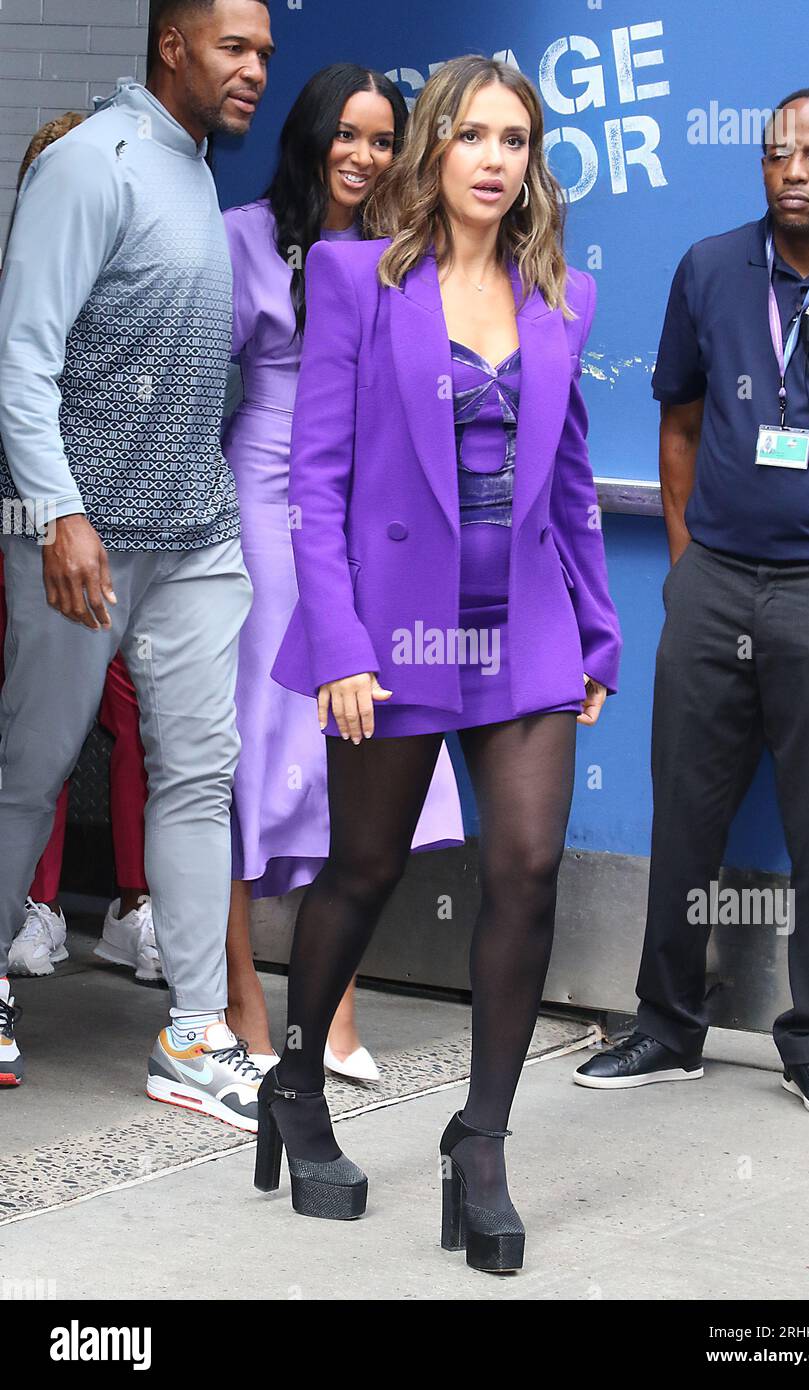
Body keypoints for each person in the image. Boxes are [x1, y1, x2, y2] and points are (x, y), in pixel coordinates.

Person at [259, 55, 621, 1273]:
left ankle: (484, 1143)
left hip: (520, 629)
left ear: (531, 162)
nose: (491, 158)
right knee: (362, 872)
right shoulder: (359, 277)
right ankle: (296, 1087)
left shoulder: (559, 297)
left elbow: (571, 489)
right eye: (470, 134)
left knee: (525, 868)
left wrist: (597, 628)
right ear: (435, 148)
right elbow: (314, 482)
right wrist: (343, 644)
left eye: (513, 139)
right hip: (394, 632)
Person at [575, 90, 809, 1123]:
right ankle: (666, 1025)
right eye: (775, 156)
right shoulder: (712, 269)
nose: (792, 172)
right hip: (715, 579)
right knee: (686, 812)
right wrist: (683, 562)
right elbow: (679, 423)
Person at [0, 0, 273, 1127]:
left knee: (201, 773)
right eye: (235, 48)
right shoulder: (90, 161)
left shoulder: (197, 170)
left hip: (195, 533)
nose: (256, 68)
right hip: (87, 539)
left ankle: (196, 1034)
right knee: (33, 766)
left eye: (263, 50)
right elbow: (23, 355)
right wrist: (57, 514)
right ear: (173, 44)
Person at [221, 64, 464, 1076]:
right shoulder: (240, 237)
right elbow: (202, 383)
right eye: (348, 135)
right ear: (314, 134)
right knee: (244, 753)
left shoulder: (396, 254)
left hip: (358, 519)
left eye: (382, 138)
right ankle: (240, 1004)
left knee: (350, 745)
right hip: (256, 506)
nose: (364, 156)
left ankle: (329, 1012)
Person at [0, 115, 160, 987]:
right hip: (30, 535)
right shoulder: (21, 291)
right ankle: (37, 906)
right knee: (37, 732)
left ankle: (137, 908)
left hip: (124, 539)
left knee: (141, 717)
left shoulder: (140, 290)